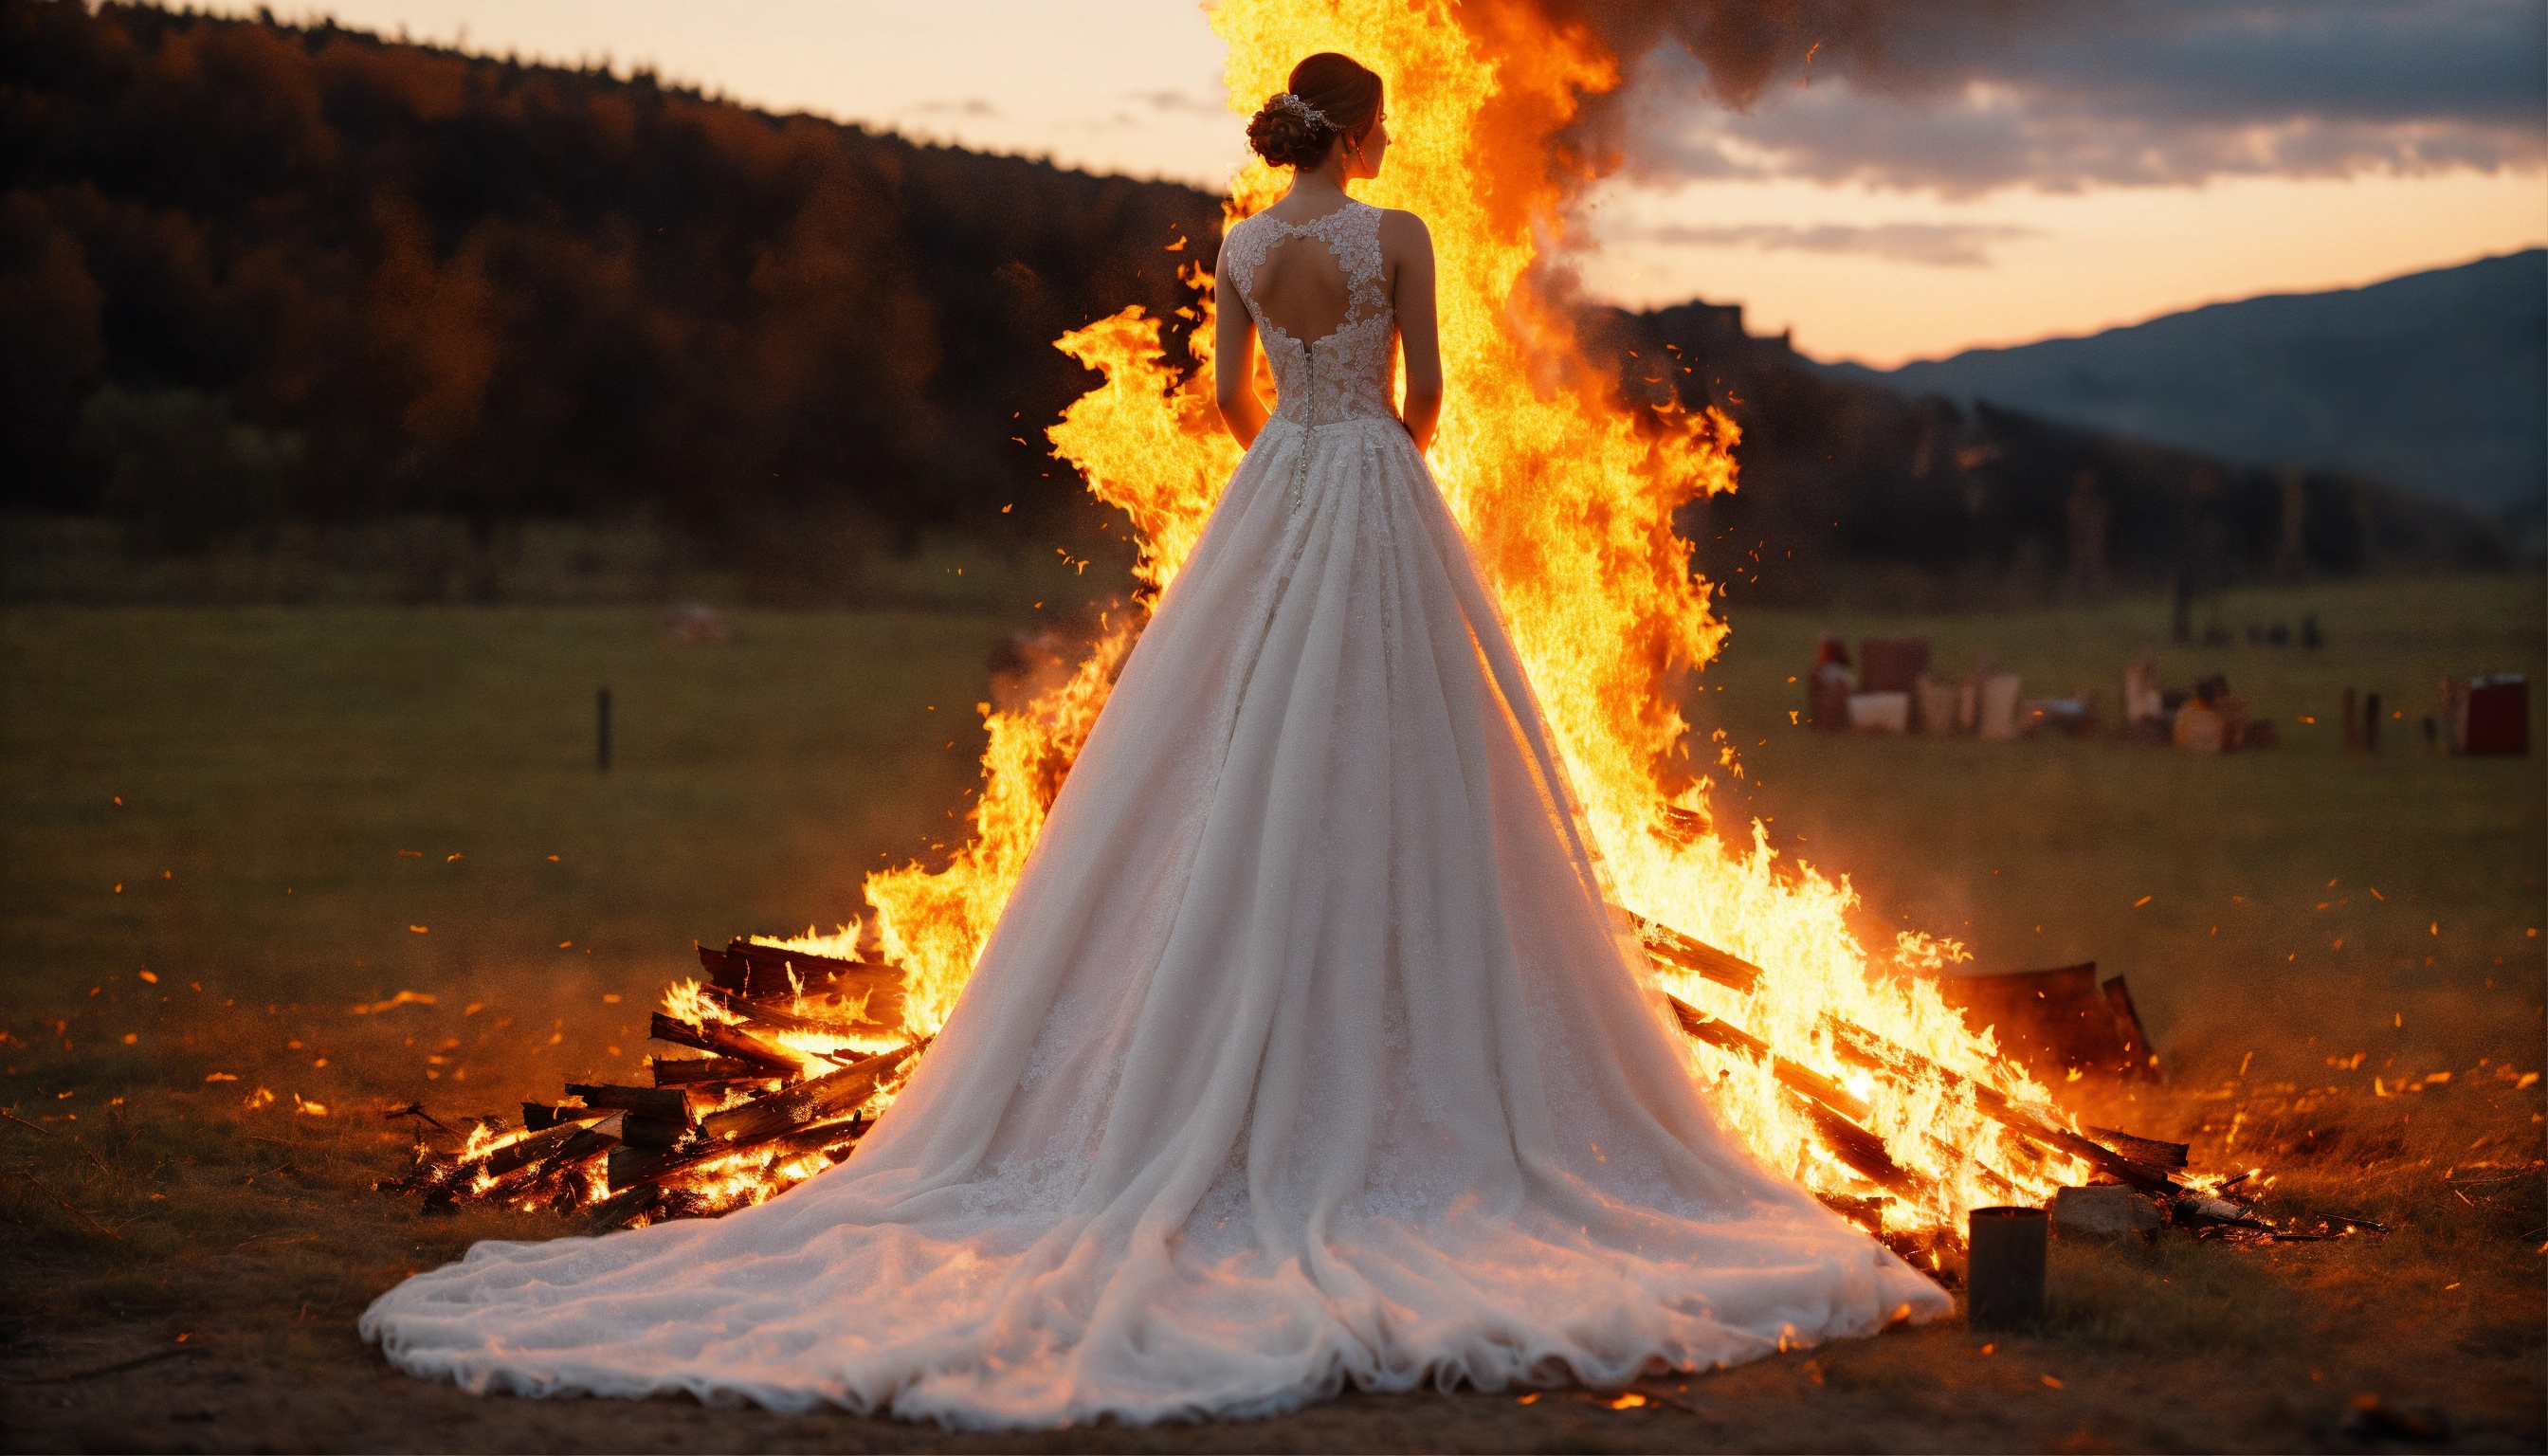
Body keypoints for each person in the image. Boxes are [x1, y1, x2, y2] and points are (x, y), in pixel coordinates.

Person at [361, 52, 1947, 1428]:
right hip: (1379, 486)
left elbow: (1227, 400)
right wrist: (1378, 468)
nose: (1391, 148)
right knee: (1405, 739)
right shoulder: (1401, 235)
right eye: (1382, 126)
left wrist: (1300, 471)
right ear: (1359, 135)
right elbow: (1441, 396)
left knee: (1227, 741)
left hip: (1279, 494)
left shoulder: (1248, 245)